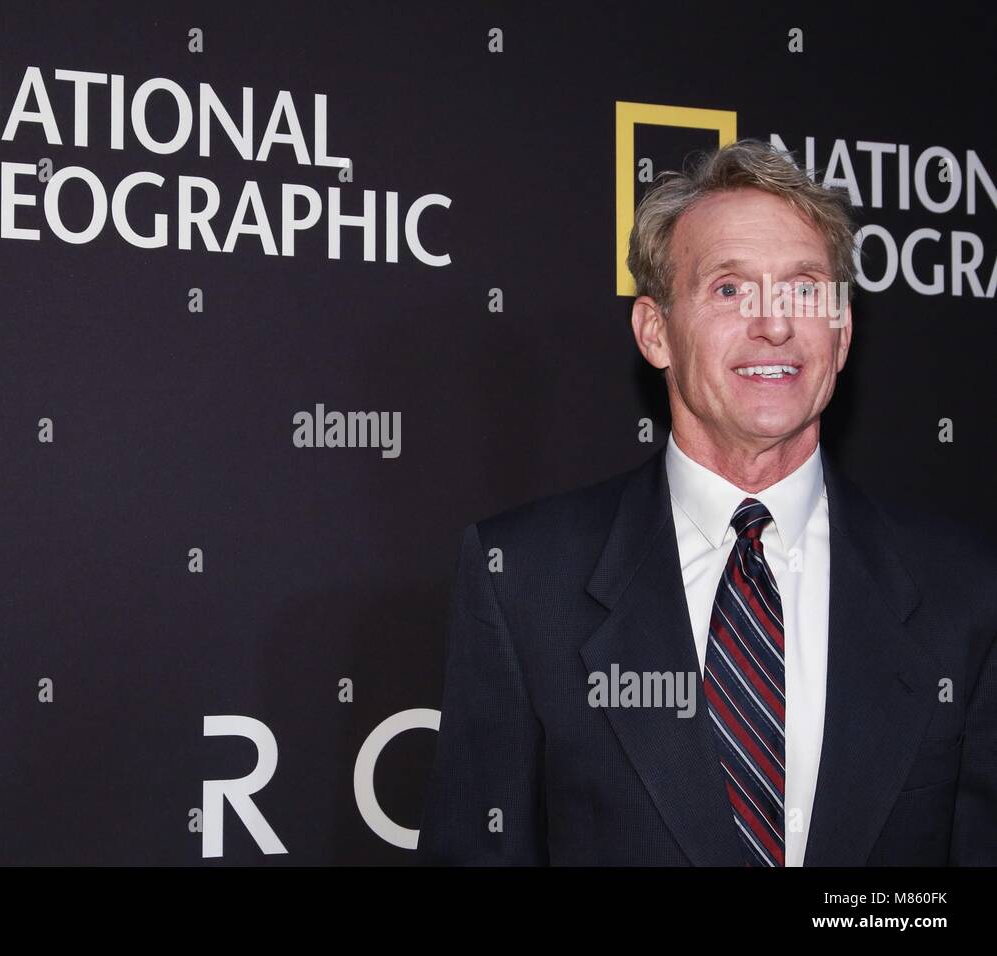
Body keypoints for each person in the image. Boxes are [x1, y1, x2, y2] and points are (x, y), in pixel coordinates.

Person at [416, 139, 997, 866]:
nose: (774, 324)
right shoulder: (525, 582)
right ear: (655, 331)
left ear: (842, 334)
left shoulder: (966, 590)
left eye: (804, 289)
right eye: (729, 289)